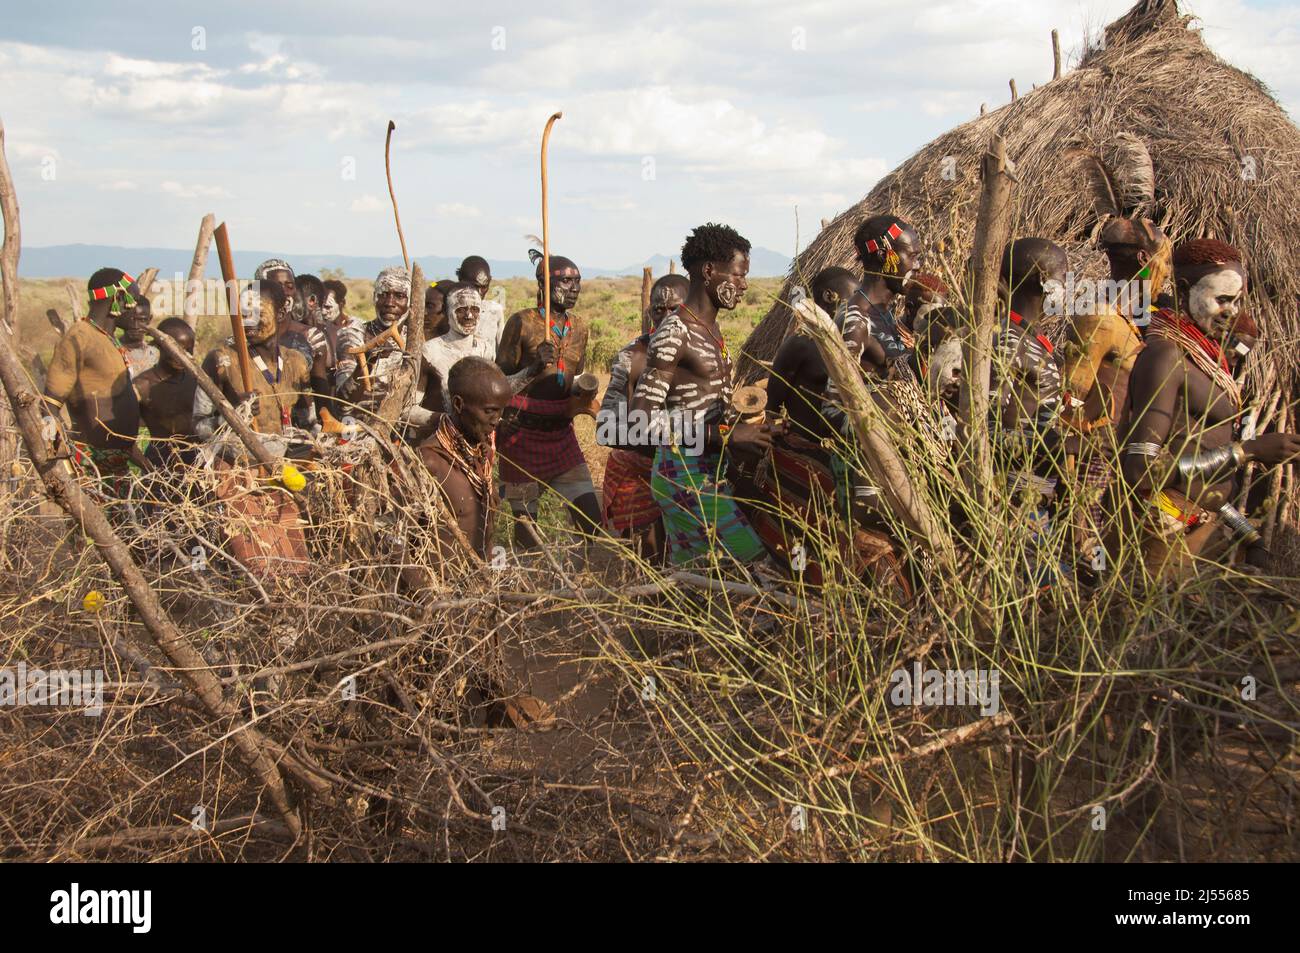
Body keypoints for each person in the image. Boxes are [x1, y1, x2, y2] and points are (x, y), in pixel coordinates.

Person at [1120, 239, 1300, 575]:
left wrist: (1250, 537)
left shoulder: (1204, 362)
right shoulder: (1166, 357)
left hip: (1196, 526)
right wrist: (1247, 451)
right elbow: (1140, 472)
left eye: (1237, 302)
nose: (1232, 312)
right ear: (1186, 289)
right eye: (1222, 300)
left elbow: (1202, 478)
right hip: (1162, 533)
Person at [631, 223, 771, 567]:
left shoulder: (710, 329)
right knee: (752, 562)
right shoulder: (675, 332)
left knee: (698, 584)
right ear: (709, 271)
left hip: (707, 467)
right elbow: (639, 422)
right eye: (737, 275)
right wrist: (726, 435)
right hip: (684, 471)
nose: (743, 285)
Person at [194, 280, 313, 578]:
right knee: (257, 565)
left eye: (256, 311)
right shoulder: (222, 359)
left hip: (281, 474)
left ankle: (290, 622)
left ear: (283, 310)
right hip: (236, 473)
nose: (247, 320)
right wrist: (233, 417)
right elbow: (198, 424)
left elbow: (307, 422)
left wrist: (305, 445)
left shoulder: (296, 362)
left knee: (295, 563)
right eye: (241, 312)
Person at [494, 252, 598, 549]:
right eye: (566, 281)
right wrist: (533, 367)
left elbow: (573, 377)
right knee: (527, 531)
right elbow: (500, 382)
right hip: (520, 437)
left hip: (561, 434)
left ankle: (578, 584)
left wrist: (585, 391)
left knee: (590, 521)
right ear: (544, 282)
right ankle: (527, 587)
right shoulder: (522, 323)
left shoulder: (579, 327)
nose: (575, 288)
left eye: (578, 281)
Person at [596, 274, 690, 558]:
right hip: (641, 467)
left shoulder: (707, 351)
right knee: (650, 557)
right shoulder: (633, 355)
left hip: (692, 470)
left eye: (675, 309)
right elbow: (606, 427)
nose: (667, 317)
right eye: (659, 310)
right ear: (649, 312)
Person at [43, 268, 143, 487]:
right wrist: (60, 462)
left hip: (116, 464)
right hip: (90, 466)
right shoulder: (79, 336)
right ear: (118, 298)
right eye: (133, 301)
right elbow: (49, 406)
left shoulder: (107, 339)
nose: (136, 309)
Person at [417, 355, 509, 558]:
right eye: (489, 412)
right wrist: (425, 589)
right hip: (440, 582)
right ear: (458, 404)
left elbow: (488, 533)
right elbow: (395, 541)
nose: (496, 421)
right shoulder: (429, 461)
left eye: (500, 412)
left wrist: (499, 579)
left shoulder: (479, 454)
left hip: (477, 580)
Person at [767, 267, 858, 444]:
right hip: (802, 452)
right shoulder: (801, 343)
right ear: (829, 297)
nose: (854, 309)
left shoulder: (847, 342)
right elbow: (772, 406)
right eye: (850, 301)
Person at [335, 266, 411, 421]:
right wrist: (368, 362)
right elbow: (343, 402)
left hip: (401, 429)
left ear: (410, 302)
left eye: (399, 296)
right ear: (374, 297)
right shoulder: (353, 335)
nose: (390, 303)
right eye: (383, 294)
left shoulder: (416, 340)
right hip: (355, 428)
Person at [133, 318, 199, 469]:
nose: (183, 356)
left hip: (198, 466)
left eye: (188, 350)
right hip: (161, 466)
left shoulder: (197, 379)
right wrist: (150, 469)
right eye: (176, 350)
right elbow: (124, 438)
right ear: (158, 346)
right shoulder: (142, 385)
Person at [456, 255, 505, 354]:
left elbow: (502, 354)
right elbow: (433, 285)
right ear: (460, 280)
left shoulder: (494, 311)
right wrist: (434, 285)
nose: (479, 293)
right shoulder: (448, 310)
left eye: (484, 287)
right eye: (474, 286)